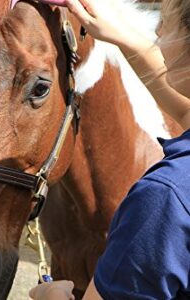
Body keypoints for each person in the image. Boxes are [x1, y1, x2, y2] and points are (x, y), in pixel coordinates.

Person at [29, 0, 190, 299]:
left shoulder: (164, 198)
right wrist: (117, 33)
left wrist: (50, 296)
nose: (155, 31)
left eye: (166, 25)